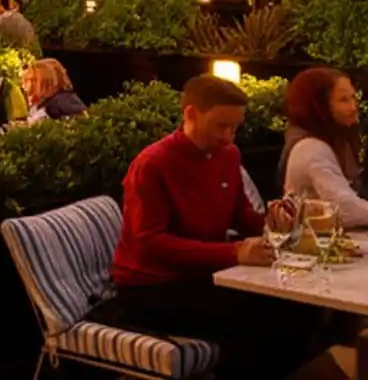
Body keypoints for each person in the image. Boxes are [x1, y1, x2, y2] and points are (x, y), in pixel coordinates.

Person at [88, 74, 314, 379]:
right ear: (191, 114)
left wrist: (274, 223)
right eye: (222, 125)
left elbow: (241, 215)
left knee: (296, 307)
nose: (229, 136)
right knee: (257, 319)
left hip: (205, 276)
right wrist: (234, 253)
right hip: (150, 287)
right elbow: (151, 244)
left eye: (235, 127)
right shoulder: (153, 164)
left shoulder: (229, 155)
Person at [281, 68, 368, 227]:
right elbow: (345, 209)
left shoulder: (336, 143)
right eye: (343, 100)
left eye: (353, 97)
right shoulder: (311, 148)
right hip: (315, 246)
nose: (353, 107)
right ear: (318, 106)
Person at [22, 58, 87, 122]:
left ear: (46, 82)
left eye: (33, 80)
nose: (29, 85)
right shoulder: (46, 101)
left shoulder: (63, 101)